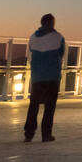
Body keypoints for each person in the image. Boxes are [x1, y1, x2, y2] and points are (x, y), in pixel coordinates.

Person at [25, 14, 66, 142]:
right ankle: (46, 134)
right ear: (52, 23)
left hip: (37, 76)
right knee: (49, 107)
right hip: (52, 75)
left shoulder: (32, 37)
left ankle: (29, 132)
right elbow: (61, 52)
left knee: (34, 105)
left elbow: (31, 50)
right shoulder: (58, 37)